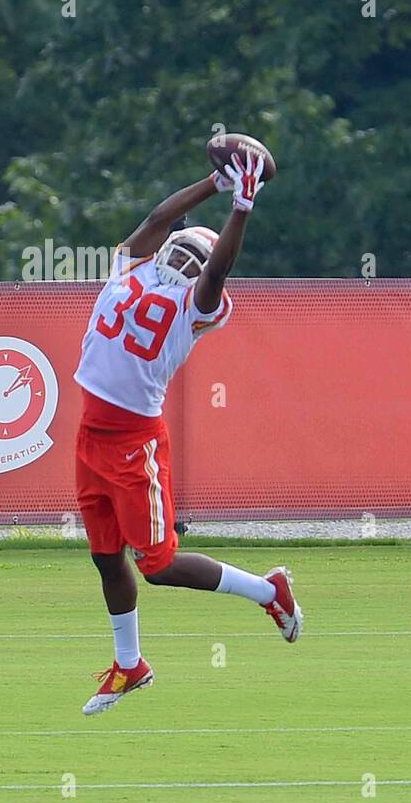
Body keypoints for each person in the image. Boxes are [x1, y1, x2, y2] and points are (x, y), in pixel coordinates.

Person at [73, 152, 302, 716]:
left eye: (195, 254)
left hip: (134, 442)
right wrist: (212, 183)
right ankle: (130, 664)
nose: (182, 255)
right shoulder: (131, 267)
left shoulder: (194, 304)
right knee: (106, 557)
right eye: (181, 247)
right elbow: (157, 220)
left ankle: (269, 591)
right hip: (90, 435)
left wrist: (241, 209)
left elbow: (218, 270)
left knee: (158, 566)